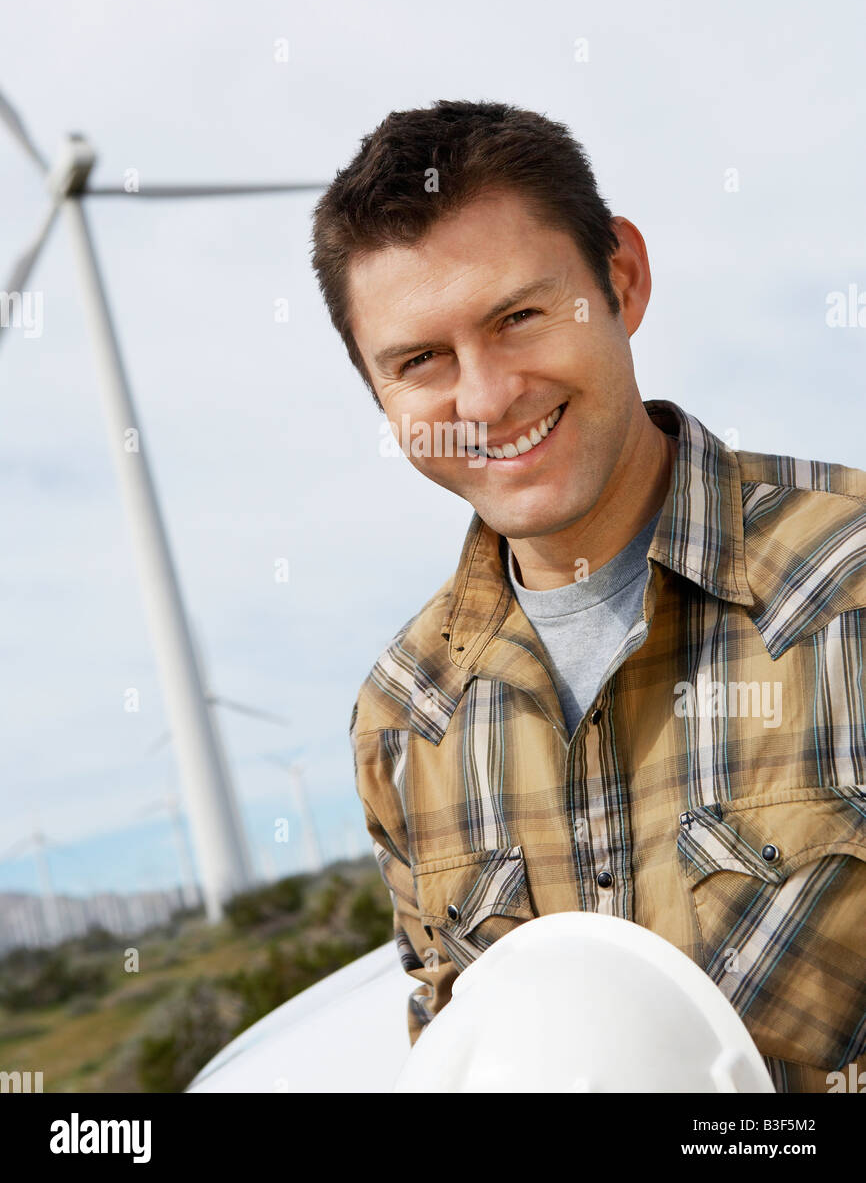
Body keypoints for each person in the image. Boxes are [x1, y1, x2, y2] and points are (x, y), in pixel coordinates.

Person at [310, 99, 866, 1094]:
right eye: (419, 362)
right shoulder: (401, 719)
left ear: (620, 278)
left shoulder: (851, 581)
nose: (483, 398)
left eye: (517, 317)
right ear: (375, 393)